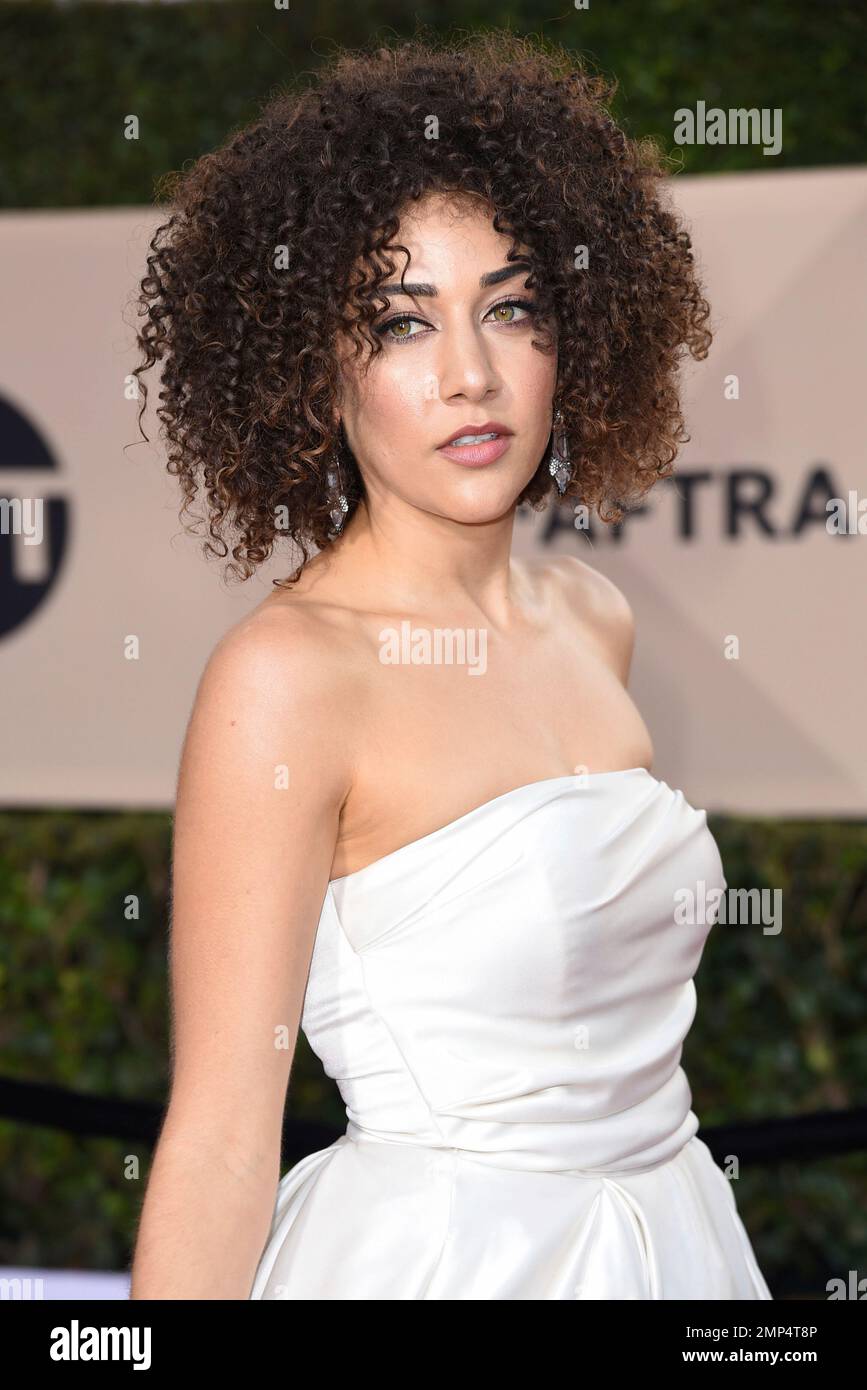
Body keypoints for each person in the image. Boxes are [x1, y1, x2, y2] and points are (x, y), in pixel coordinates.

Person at [129, 29, 772, 1300]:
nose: (471, 375)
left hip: (679, 1247)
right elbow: (217, 1137)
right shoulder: (288, 680)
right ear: (314, 372)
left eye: (512, 307)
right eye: (400, 323)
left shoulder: (594, 618)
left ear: (573, 334)